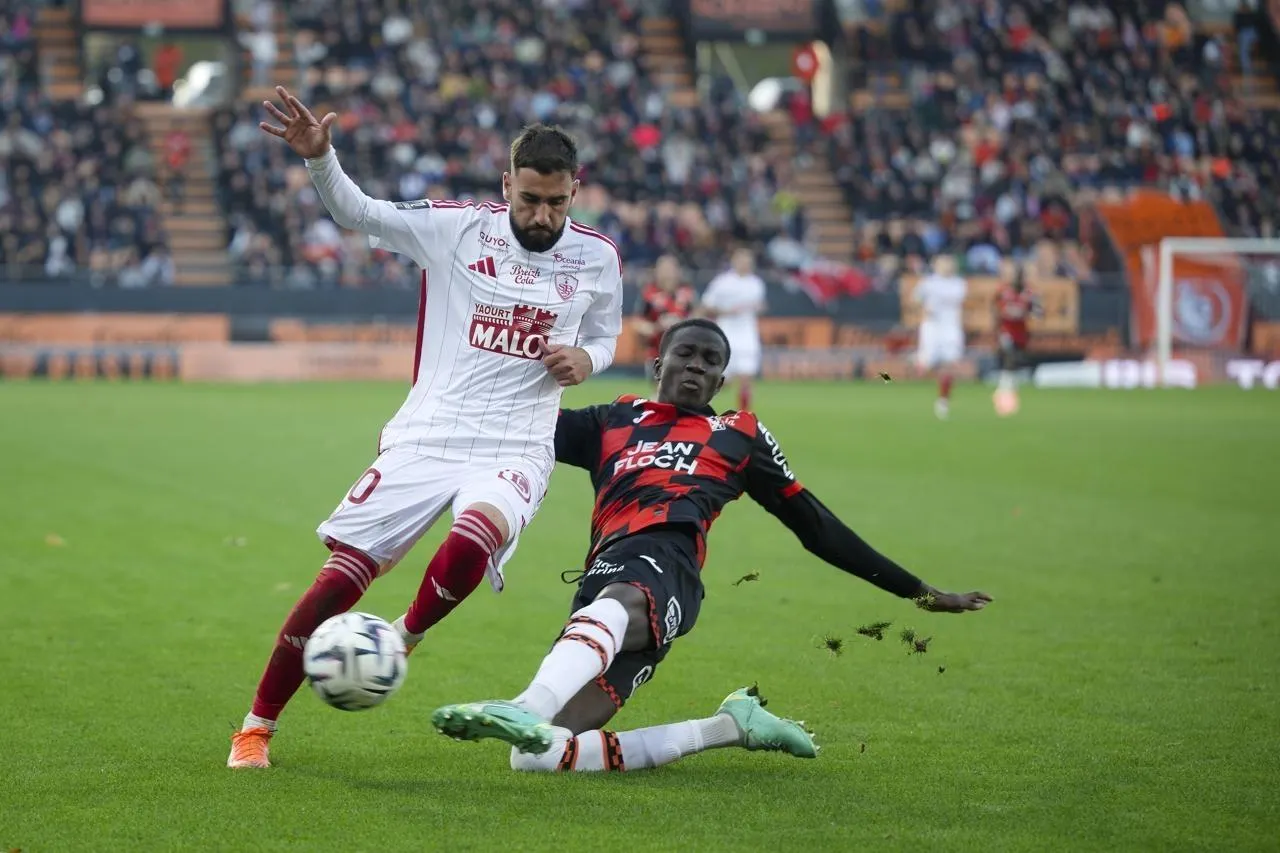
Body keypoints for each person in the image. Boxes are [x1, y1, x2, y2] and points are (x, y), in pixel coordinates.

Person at [227, 87, 624, 769]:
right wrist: (323, 160)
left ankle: (401, 638)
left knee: (474, 539)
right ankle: (256, 726)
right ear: (507, 184)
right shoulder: (457, 227)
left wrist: (588, 356)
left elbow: (609, 334)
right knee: (336, 584)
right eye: (529, 199)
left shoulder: (596, 257)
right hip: (429, 433)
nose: (542, 214)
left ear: (575, 190)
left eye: (556, 202)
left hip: (517, 443)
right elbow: (360, 212)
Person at [428, 318, 992, 773]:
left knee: (608, 613)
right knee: (535, 756)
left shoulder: (738, 435)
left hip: (666, 570)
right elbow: (513, 430)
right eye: (686, 354)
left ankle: (524, 705)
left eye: (710, 361)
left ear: (721, 382)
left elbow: (816, 525)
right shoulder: (612, 420)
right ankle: (729, 727)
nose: (696, 365)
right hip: (604, 583)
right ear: (658, 364)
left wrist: (919, 593)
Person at [700, 247, 766, 411]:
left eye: (748, 260)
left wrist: (759, 307)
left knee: (746, 378)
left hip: (748, 335)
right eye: (741, 259)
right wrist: (726, 311)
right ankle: (701, 405)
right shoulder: (722, 282)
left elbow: (761, 306)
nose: (745, 263)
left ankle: (744, 416)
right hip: (726, 334)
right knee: (723, 380)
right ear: (734, 261)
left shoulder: (756, 283)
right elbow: (706, 305)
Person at [913, 255, 968, 419]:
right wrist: (924, 309)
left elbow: (960, 304)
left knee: (950, 364)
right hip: (932, 327)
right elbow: (915, 298)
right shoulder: (929, 283)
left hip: (951, 327)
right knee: (927, 364)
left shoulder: (959, 283)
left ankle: (943, 400)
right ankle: (916, 361)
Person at [992, 262, 1042, 416]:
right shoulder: (1004, 291)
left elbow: (1037, 310)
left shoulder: (1029, 292)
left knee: (1018, 358)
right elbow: (998, 308)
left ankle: (1010, 384)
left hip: (1021, 331)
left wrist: (1033, 311)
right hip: (1006, 330)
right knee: (1009, 354)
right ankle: (1004, 387)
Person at [633, 254, 697, 373]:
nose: (667, 274)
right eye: (663, 269)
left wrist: (681, 323)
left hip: (685, 350)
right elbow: (638, 322)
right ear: (656, 271)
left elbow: (698, 317)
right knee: (662, 388)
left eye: (670, 269)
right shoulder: (648, 294)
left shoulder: (687, 293)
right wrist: (657, 326)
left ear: (678, 271)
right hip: (657, 351)